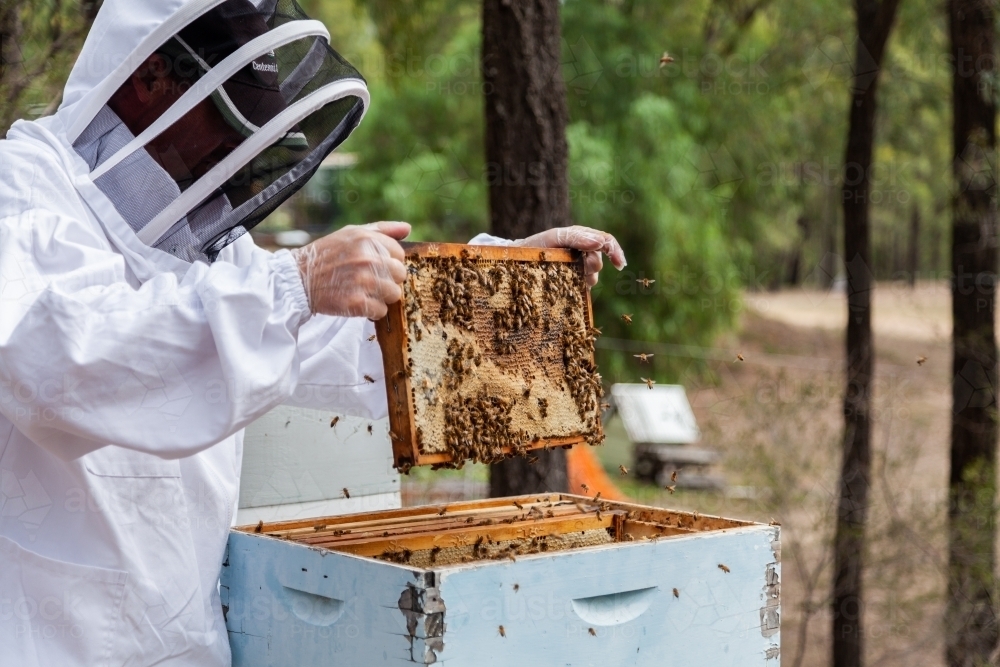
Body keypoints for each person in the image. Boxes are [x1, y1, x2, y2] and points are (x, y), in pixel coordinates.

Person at [0, 1, 626, 665]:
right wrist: (294, 282)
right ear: (149, 76)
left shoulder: (203, 242)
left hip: (182, 641)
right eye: (227, 117)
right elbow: (60, 358)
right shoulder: (23, 189)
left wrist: (502, 292)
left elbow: (336, 339)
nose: (236, 151)